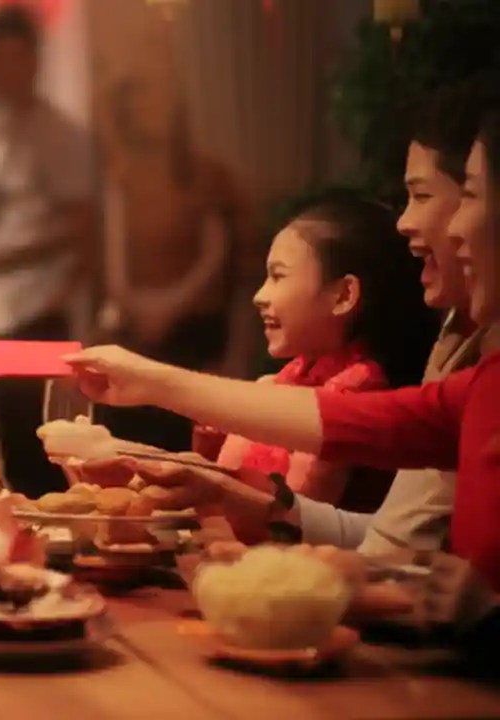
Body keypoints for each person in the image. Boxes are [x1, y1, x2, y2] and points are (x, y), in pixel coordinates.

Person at [62, 109, 500, 596]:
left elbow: (361, 435)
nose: (404, 222)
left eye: (427, 196)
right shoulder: (466, 358)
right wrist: (218, 490)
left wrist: (155, 385)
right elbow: (385, 541)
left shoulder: (397, 377)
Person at [207, 191, 437, 511]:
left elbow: (287, 515)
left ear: (344, 295)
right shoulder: (290, 378)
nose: (260, 295)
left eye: (278, 276)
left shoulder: (355, 394)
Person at [0, 6, 95, 497]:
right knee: (4, 447)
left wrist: (11, 261)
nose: (9, 70)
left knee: (46, 448)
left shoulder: (62, 136)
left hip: (43, 308)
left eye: (19, 57)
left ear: (36, 60)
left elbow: (83, 232)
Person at [90, 72, 251, 453]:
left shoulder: (208, 175)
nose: (144, 112)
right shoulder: (120, 178)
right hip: (136, 330)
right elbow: (112, 256)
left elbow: (218, 256)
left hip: (194, 332)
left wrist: (170, 305)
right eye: (135, 104)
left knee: (185, 445)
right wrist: (135, 305)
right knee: (128, 443)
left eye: (153, 102)